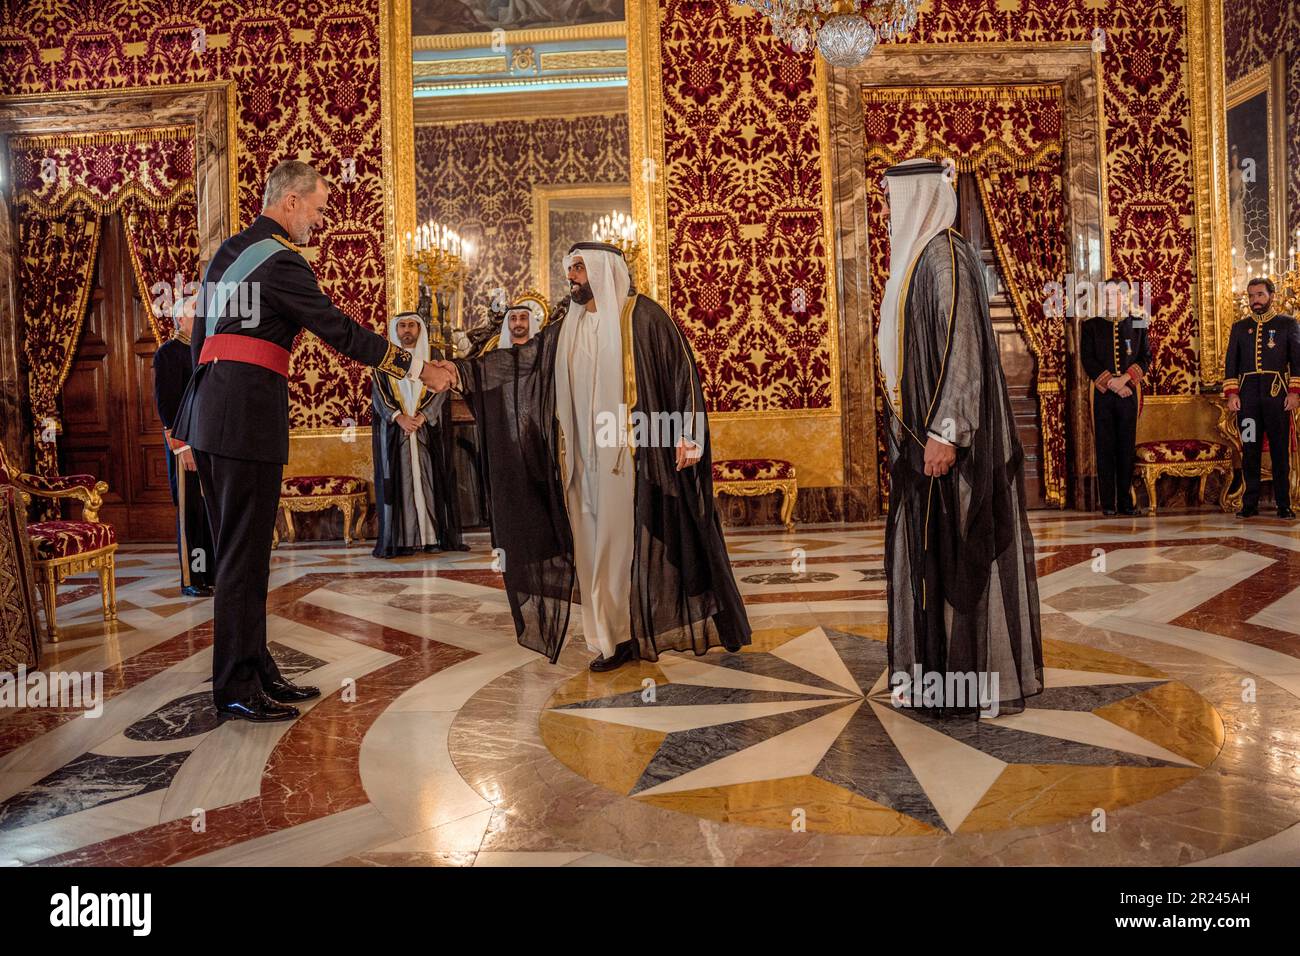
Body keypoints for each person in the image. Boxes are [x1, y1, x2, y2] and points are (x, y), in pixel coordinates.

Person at [171, 160, 444, 722]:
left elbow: (200, 339)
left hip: (217, 413)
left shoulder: (226, 254)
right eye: (317, 208)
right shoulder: (281, 262)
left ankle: (254, 666)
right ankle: (235, 687)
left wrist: (193, 419)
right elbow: (337, 329)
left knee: (241, 553)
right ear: (290, 200)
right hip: (244, 418)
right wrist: (416, 368)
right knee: (243, 558)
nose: (318, 221)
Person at [425, 241, 750, 671]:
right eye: (570, 268)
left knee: (618, 546)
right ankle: (609, 635)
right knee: (590, 548)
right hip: (576, 460)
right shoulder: (567, 326)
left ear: (602, 269)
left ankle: (620, 638)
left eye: (578, 268)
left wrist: (687, 435)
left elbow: (681, 374)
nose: (572, 277)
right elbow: (523, 361)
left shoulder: (643, 316)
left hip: (629, 459)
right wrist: (462, 372)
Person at [876, 158, 1042, 717]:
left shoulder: (945, 257)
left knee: (952, 561)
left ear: (917, 199)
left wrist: (946, 432)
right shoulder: (918, 258)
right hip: (916, 445)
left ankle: (960, 682)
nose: (889, 211)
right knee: (926, 559)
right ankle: (932, 674)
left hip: (943, 446)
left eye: (895, 200)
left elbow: (964, 353)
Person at [371, 311, 465, 556]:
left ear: (419, 328)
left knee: (429, 481)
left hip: (426, 431)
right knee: (400, 483)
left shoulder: (433, 356)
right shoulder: (385, 359)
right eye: (402, 326)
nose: (407, 330)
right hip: (397, 433)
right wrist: (399, 418)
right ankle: (404, 540)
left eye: (412, 325)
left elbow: (443, 387)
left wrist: (423, 416)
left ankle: (431, 537)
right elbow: (379, 395)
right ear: (396, 330)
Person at [152, 291, 214, 597]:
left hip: (206, 441)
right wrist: (183, 446)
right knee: (190, 514)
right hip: (184, 445)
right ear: (180, 319)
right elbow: (167, 407)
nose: (200, 319)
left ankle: (210, 574)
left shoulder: (202, 351)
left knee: (207, 510)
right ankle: (193, 578)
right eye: (194, 315)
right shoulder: (167, 354)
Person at [1223, 276, 1300, 519]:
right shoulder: (1239, 327)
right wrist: (1232, 394)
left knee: (1279, 451)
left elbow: (1297, 362)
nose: (1255, 300)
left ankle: (1283, 504)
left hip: (1277, 397)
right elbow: (1230, 364)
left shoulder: (1288, 324)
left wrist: (1295, 393)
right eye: (1251, 295)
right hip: (1247, 400)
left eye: (1260, 295)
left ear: (1271, 296)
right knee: (1250, 450)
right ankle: (1250, 503)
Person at [1080, 278, 1152, 516]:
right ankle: (1108, 503)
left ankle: (1126, 502)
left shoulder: (1139, 324)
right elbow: (1088, 359)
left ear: (1126, 296)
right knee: (1105, 446)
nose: (1113, 299)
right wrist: (1111, 383)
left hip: (1129, 392)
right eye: (1108, 295)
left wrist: (1125, 380)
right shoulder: (1091, 326)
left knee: (1125, 447)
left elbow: (1145, 358)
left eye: (1117, 294)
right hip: (1102, 394)